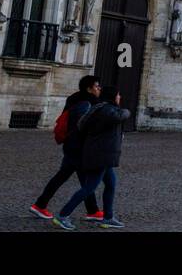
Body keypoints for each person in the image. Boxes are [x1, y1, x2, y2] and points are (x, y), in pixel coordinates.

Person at [52, 86, 130, 230]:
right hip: (100, 155)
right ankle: (62, 215)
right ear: (112, 96)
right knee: (89, 188)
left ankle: (108, 218)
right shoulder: (107, 110)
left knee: (111, 184)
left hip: (104, 155)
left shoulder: (101, 109)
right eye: (118, 95)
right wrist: (127, 110)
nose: (120, 98)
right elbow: (120, 116)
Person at [30, 75, 104, 223]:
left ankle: (92, 210)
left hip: (73, 147)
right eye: (96, 86)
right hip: (77, 147)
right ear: (89, 88)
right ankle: (41, 205)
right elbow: (81, 128)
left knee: (72, 178)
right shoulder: (85, 104)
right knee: (83, 180)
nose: (99, 89)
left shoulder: (77, 100)